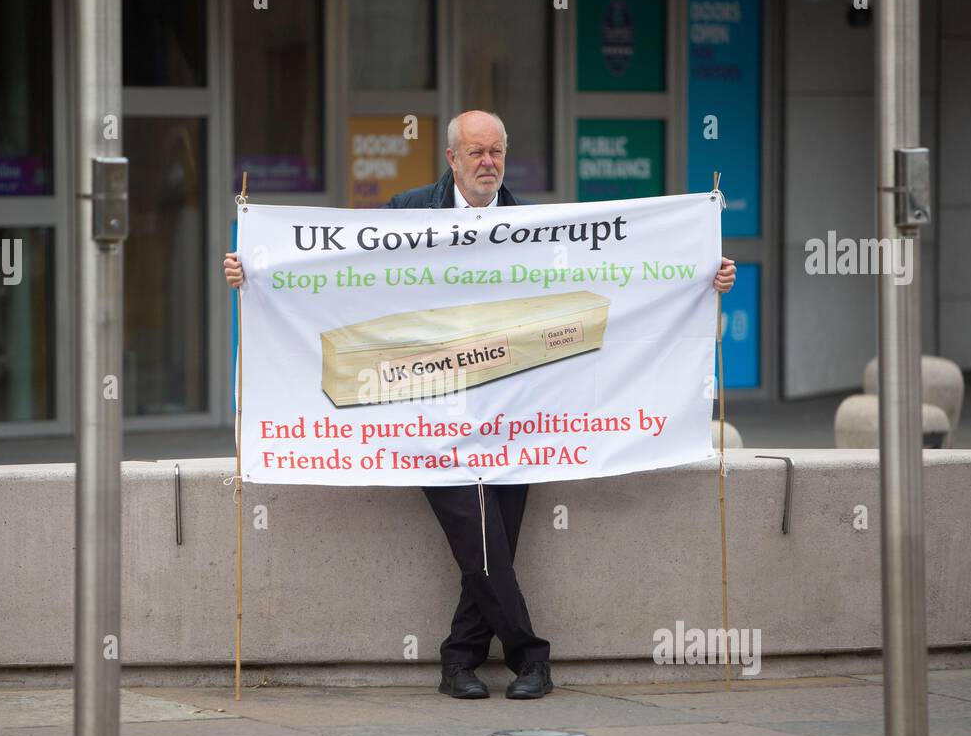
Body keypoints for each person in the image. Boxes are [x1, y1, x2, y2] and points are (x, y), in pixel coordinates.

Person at [224, 110, 736, 699]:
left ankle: (458, 661)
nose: (487, 162)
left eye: (496, 151)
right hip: (425, 414)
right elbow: (337, 269)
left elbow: (619, 274)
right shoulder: (406, 215)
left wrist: (704, 275)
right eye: (475, 153)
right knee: (481, 535)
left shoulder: (538, 223)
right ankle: (530, 656)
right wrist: (257, 270)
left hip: (516, 414)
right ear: (451, 159)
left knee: (496, 540)